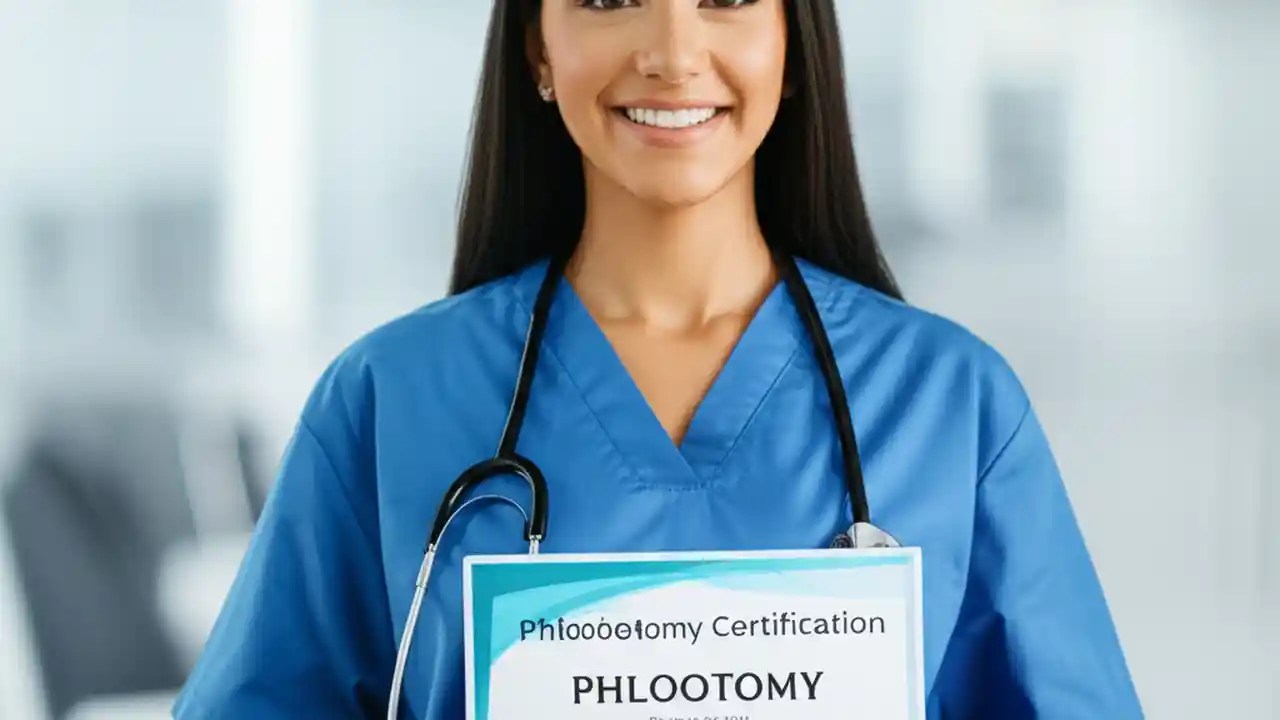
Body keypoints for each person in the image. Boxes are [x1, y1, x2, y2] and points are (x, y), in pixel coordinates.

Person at [173, 0, 1143, 717]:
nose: (673, 54)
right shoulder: (390, 400)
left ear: (791, 47)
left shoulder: (948, 403)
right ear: (537, 49)